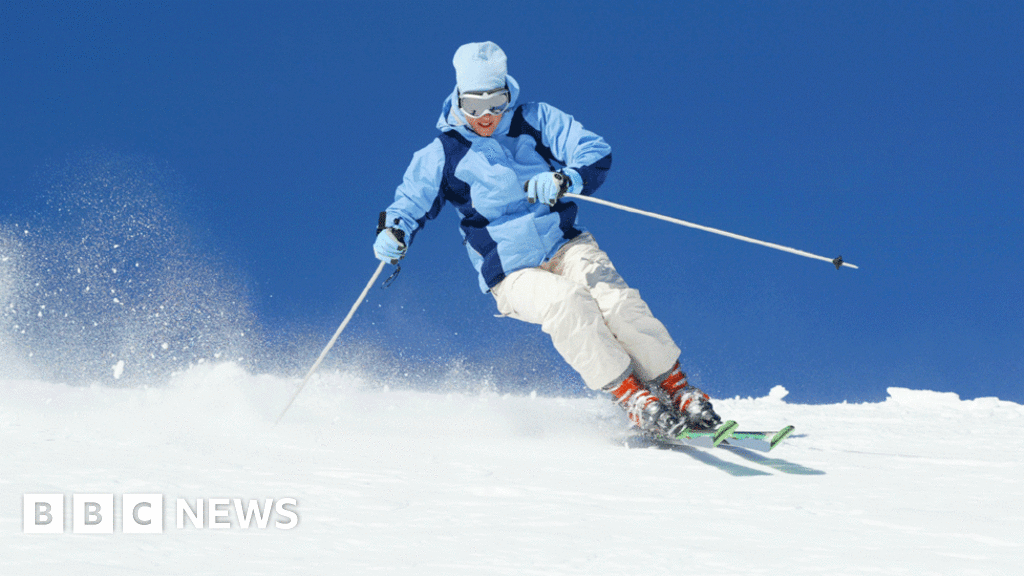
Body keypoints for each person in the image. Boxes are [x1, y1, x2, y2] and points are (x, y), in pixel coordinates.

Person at [373, 41, 721, 435]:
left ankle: (677, 388)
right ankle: (632, 396)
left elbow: (593, 151)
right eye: (473, 105)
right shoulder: (443, 153)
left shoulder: (534, 120)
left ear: (508, 94)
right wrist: (393, 230)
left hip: (566, 246)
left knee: (616, 303)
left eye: (496, 102)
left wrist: (565, 178)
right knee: (567, 303)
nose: (486, 116)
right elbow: (408, 203)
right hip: (511, 272)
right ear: (457, 99)